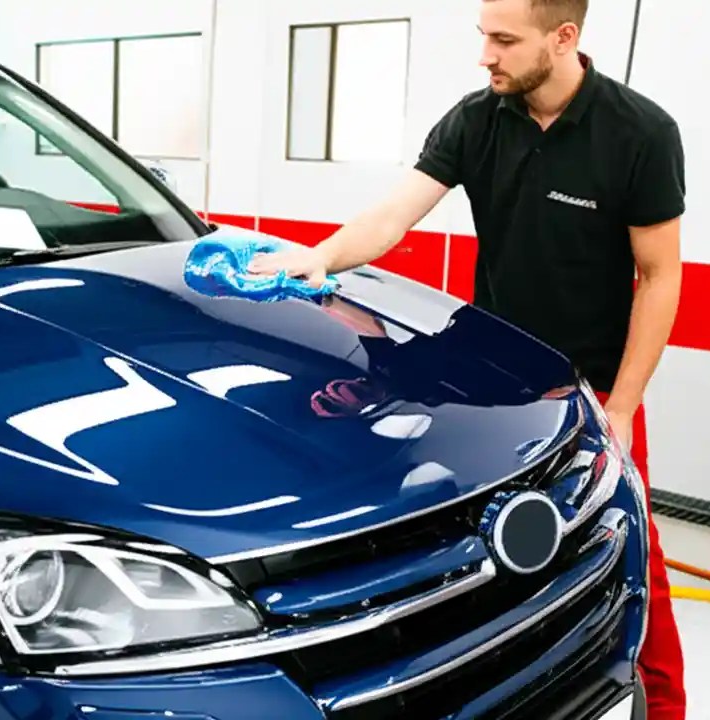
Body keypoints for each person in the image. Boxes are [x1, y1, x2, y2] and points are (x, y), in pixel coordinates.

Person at [248, 0, 687, 716]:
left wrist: (624, 406)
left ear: (564, 37)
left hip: (591, 391)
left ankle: (664, 708)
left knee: (633, 551)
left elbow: (660, 275)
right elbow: (393, 217)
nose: (486, 55)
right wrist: (313, 260)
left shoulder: (639, 132)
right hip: (492, 380)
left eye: (504, 40)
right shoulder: (477, 118)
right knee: (477, 551)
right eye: (483, 35)